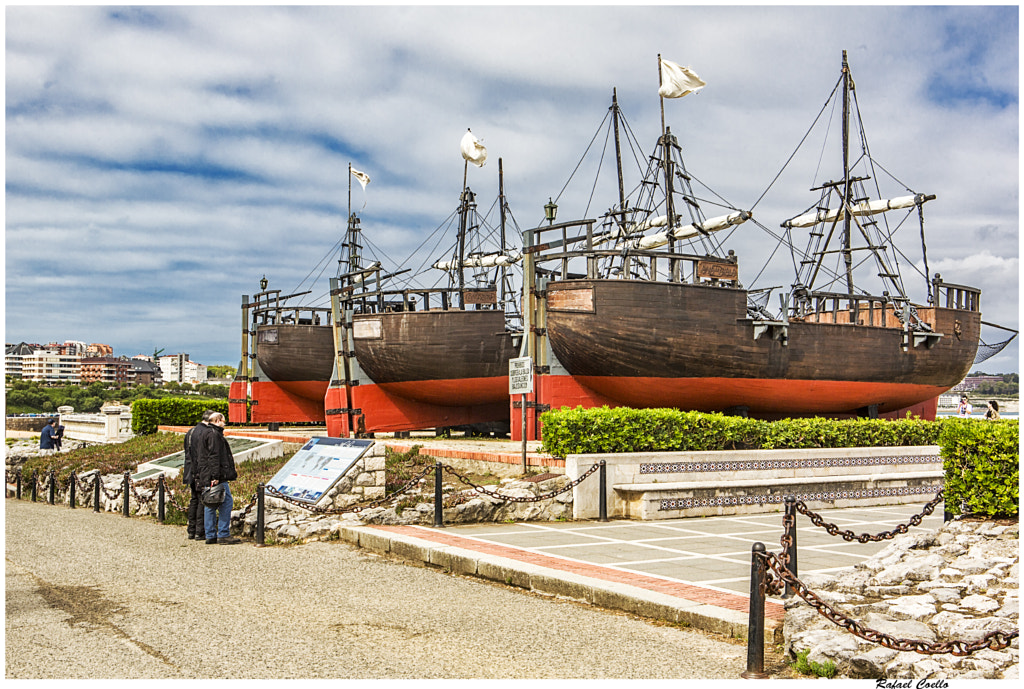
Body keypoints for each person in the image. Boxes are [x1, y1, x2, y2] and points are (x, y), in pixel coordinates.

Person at [196, 412, 240, 545]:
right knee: (226, 502)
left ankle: (210, 534)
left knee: (210, 503)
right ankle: (223, 534)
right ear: (218, 420)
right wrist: (215, 476)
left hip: (206, 474)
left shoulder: (205, 433)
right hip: (216, 476)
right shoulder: (215, 434)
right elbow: (214, 456)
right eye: (223, 421)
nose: (224, 424)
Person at [183, 410, 215, 540]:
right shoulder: (204, 433)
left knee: (194, 499)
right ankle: (199, 531)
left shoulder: (190, 432)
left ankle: (192, 529)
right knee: (203, 500)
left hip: (190, 469)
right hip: (199, 471)